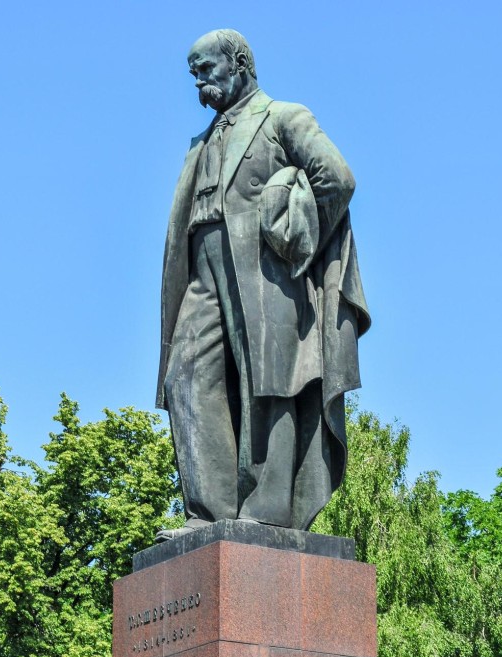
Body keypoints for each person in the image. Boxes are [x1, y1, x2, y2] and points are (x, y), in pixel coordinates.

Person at [156, 28, 370, 538]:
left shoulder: (281, 118)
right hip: (203, 269)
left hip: (265, 272)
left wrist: (294, 237)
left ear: (240, 62)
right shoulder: (201, 142)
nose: (200, 82)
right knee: (184, 374)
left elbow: (337, 178)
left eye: (207, 69)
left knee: (270, 381)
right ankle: (208, 512)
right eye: (194, 74)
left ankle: (268, 507)